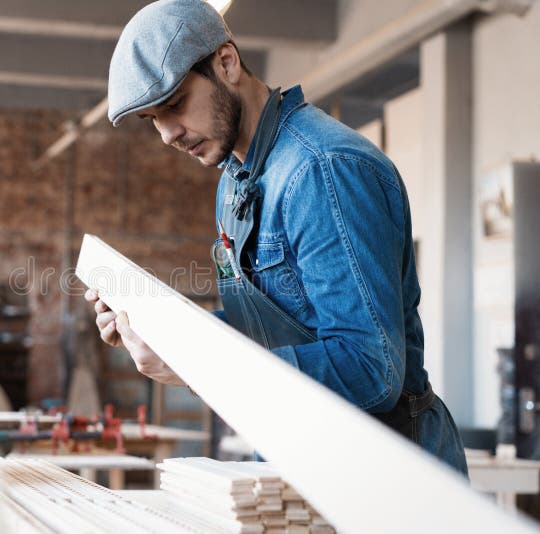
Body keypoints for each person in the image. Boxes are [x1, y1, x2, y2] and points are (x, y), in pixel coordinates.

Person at [84, 0, 467, 475]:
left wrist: (198, 367)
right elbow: (269, 328)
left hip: (383, 473)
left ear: (226, 63)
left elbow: (372, 371)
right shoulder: (234, 180)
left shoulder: (323, 171)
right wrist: (166, 330)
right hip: (300, 455)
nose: (167, 135)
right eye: (152, 120)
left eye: (175, 105)